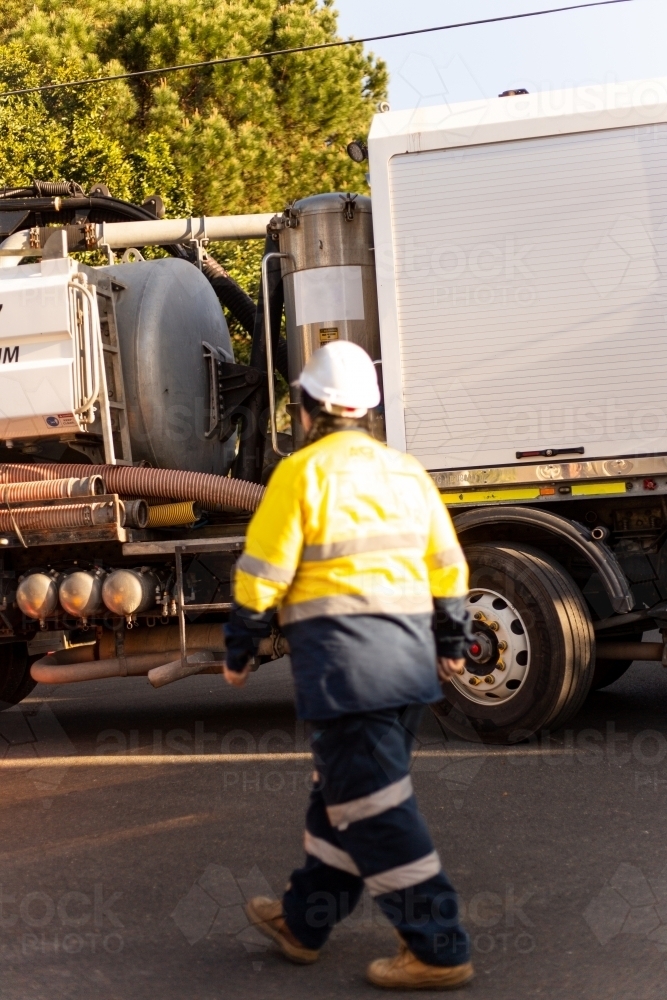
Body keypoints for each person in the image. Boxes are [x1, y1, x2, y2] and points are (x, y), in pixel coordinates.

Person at [223, 340, 474, 990]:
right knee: (344, 797)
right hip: (408, 667)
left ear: (305, 409)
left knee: (373, 809)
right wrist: (451, 640)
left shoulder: (299, 475)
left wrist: (240, 648)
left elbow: (261, 573)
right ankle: (302, 923)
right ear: (367, 411)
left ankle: (437, 947)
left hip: (345, 671)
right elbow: (447, 566)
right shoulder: (404, 471)